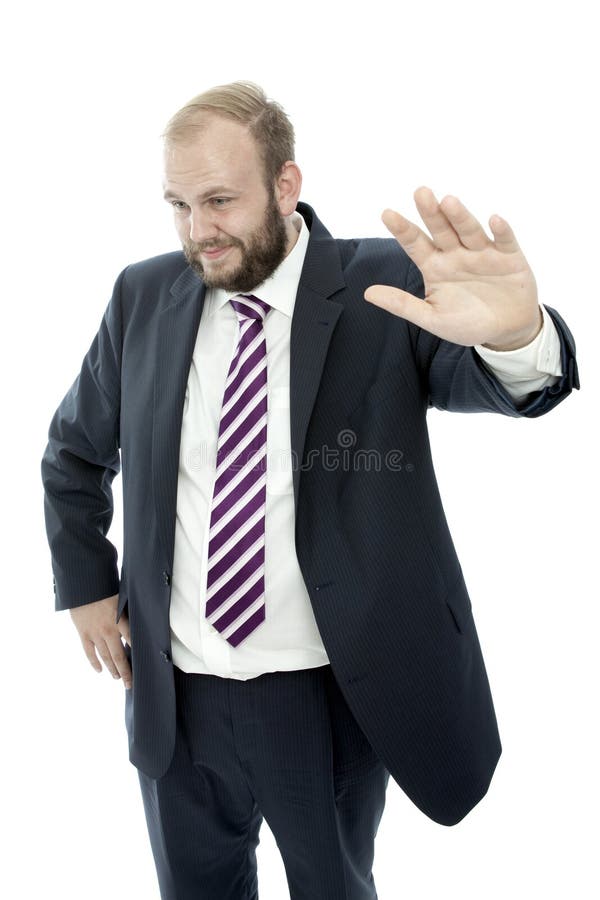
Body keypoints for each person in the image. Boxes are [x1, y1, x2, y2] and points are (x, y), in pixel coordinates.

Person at [41, 81, 579, 900]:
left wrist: (515, 335)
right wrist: (85, 587)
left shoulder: (384, 283)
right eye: (179, 204)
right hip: (173, 698)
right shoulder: (143, 293)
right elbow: (73, 454)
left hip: (325, 697)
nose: (199, 231)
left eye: (219, 200)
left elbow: (496, 380)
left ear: (286, 185)